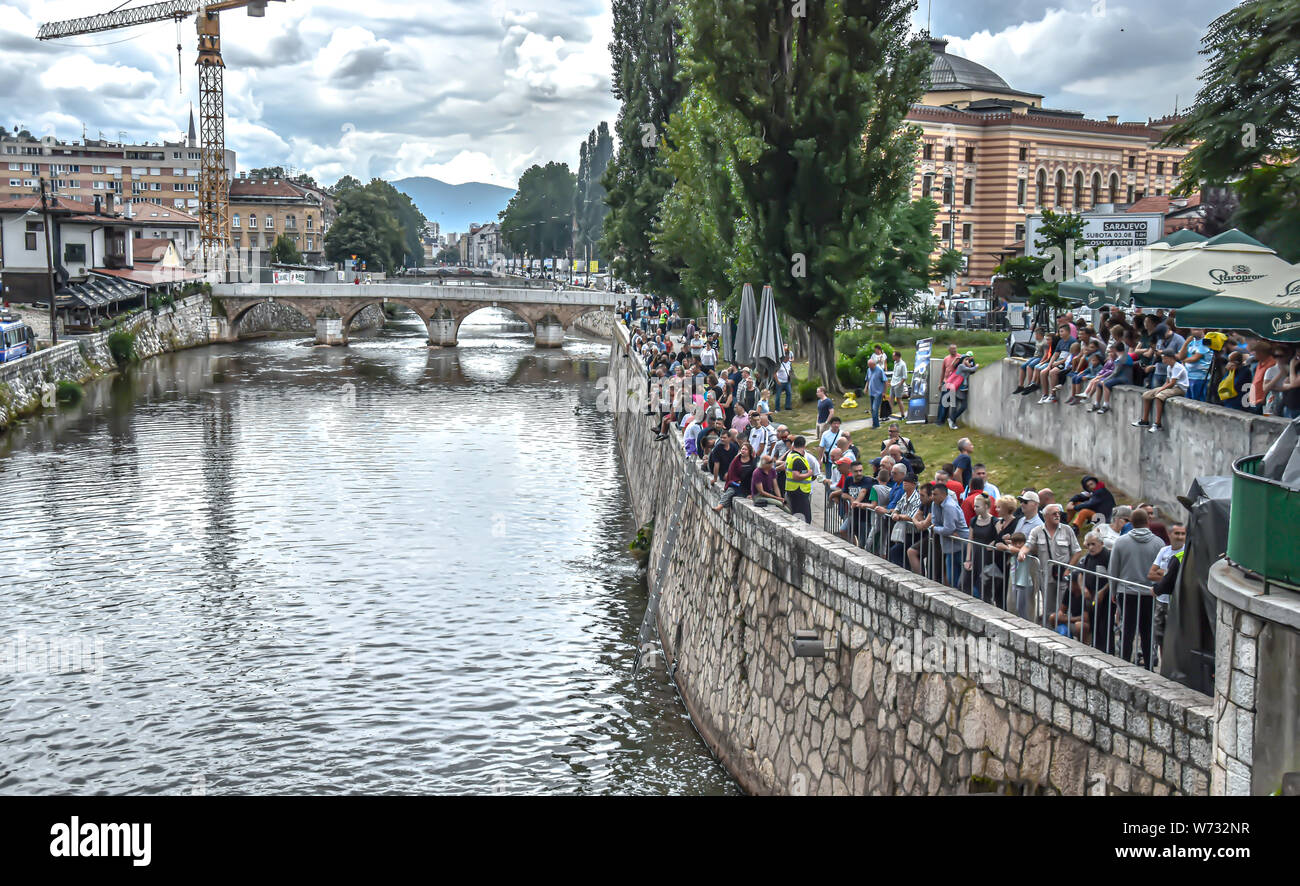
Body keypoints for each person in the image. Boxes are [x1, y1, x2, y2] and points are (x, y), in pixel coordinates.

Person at [1108, 507, 1163, 664]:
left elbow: (1113, 569)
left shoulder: (1120, 542)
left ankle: (1124, 662)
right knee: (1147, 631)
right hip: (1149, 592)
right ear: (1148, 522)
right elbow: (1161, 570)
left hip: (1126, 591)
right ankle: (1148, 664)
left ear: (1131, 522)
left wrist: (1113, 590)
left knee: (1127, 629)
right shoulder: (1158, 543)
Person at [1018, 503, 1082, 622]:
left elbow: (1077, 552)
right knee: (1048, 607)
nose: (1058, 516)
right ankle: (1048, 630)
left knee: (1063, 607)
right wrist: (1022, 553)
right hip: (1046, 575)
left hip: (1063, 576)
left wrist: (1068, 569)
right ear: (1046, 516)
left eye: (1059, 513)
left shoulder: (1067, 530)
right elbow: (1028, 545)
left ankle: (1062, 633)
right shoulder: (1037, 531)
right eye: (1054, 514)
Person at [1148, 522, 1186, 661]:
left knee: (1175, 637)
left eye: (1182, 534)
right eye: (1177, 533)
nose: (1180, 537)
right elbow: (1151, 574)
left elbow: (1179, 578)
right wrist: (1167, 576)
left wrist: (1165, 575)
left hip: (1177, 602)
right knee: (1160, 636)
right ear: (1170, 535)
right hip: (1162, 601)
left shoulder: (1186, 553)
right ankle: (1164, 665)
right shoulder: (1164, 551)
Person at [1133, 348, 1187, 433]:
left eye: (1164, 358)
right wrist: (1159, 389)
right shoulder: (1169, 367)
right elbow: (1167, 382)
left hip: (1179, 389)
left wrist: (1161, 390)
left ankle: (1157, 424)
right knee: (1146, 395)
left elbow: (1172, 383)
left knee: (1159, 397)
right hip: (1171, 387)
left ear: (1171, 358)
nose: (1163, 360)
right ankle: (1145, 421)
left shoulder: (1177, 367)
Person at [929, 483, 970, 589]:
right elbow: (934, 521)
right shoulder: (935, 504)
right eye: (932, 494)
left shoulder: (949, 506)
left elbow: (948, 529)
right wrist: (937, 528)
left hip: (960, 544)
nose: (932, 497)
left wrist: (935, 529)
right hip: (948, 546)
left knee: (964, 580)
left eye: (935, 494)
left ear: (943, 495)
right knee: (952, 579)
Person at [964, 493, 999, 601]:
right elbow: (970, 539)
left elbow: (1000, 537)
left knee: (984, 586)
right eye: (974, 506)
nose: (974, 509)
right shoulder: (974, 520)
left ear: (986, 507)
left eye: (977, 506)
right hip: (975, 554)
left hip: (987, 558)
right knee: (964, 583)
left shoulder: (994, 521)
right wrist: (968, 559)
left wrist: (993, 543)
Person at [886, 472, 922, 568]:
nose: (905, 483)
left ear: (914, 484)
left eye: (908, 481)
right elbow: (897, 507)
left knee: (896, 552)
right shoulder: (904, 496)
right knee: (901, 554)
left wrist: (899, 516)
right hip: (905, 532)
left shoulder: (917, 498)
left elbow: (912, 516)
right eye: (904, 481)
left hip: (915, 533)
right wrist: (895, 513)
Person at [714, 442, 757, 513]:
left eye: (745, 449)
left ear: (749, 452)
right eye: (742, 449)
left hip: (749, 486)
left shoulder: (753, 462)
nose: (743, 451)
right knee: (731, 491)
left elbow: (755, 476)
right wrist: (737, 480)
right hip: (737, 484)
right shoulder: (736, 461)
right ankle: (720, 506)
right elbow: (732, 473)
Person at [785, 436, 815, 524]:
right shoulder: (797, 459)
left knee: (797, 515)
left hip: (793, 490)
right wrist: (809, 474)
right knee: (805, 518)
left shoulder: (791, 455)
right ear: (804, 446)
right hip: (799, 491)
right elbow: (796, 476)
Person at [1180, 328, 1212, 402]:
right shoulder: (1191, 342)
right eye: (1194, 329)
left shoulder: (1206, 341)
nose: (1196, 331)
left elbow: (1195, 358)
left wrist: (1184, 360)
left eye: (1198, 329)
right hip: (1188, 376)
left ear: (1203, 330)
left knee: (1198, 401)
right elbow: (1180, 356)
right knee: (1187, 401)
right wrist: (1186, 343)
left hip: (1200, 377)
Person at [867, 357, 887, 429]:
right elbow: (868, 380)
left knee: (875, 408)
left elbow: (885, 381)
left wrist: (884, 392)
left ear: (874, 364)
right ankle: (874, 424)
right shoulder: (868, 370)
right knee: (872, 409)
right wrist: (866, 388)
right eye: (868, 365)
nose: (869, 367)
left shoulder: (879, 370)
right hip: (871, 392)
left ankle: (877, 425)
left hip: (878, 393)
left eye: (870, 365)